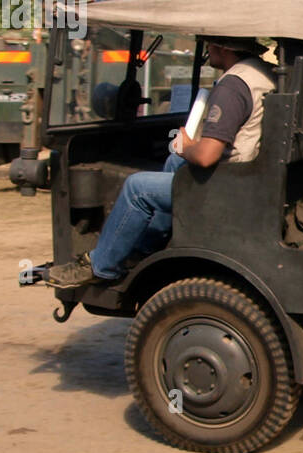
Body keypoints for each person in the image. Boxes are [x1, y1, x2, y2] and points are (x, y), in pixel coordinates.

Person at [47, 36, 275, 288]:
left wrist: (187, 146)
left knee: (137, 188)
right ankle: (146, 248)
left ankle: (102, 266)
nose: (208, 51)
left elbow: (208, 155)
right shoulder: (263, 72)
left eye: (210, 45)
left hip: (229, 184)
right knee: (173, 163)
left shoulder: (233, 86)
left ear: (223, 47)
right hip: (251, 174)